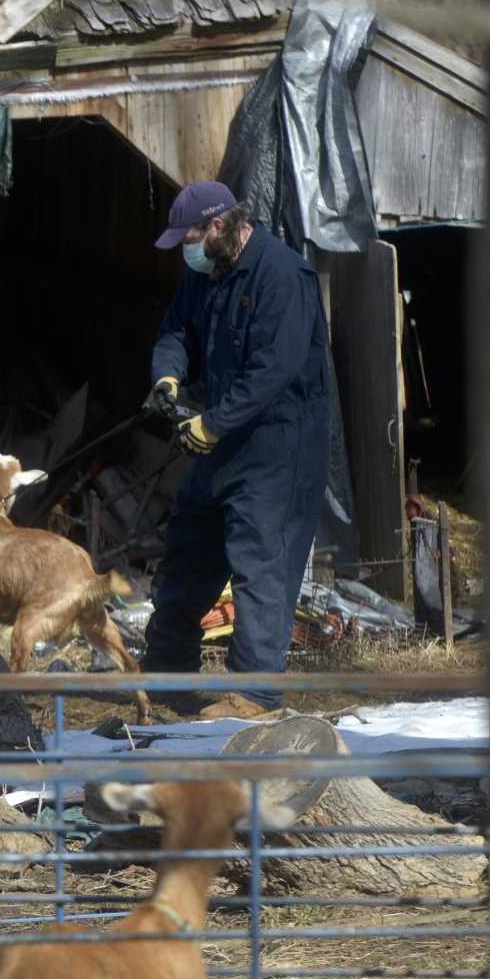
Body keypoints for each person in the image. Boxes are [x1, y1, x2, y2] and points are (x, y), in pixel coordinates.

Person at [143, 181, 331, 720]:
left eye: (191, 239)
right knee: (189, 547)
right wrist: (167, 377)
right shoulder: (206, 272)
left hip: (278, 447)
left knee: (260, 565)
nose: (187, 252)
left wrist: (213, 423)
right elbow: (176, 330)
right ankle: (167, 675)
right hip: (223, 439)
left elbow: (275, 368)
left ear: (219, 226)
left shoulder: (284, 276)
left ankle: (255, 695)